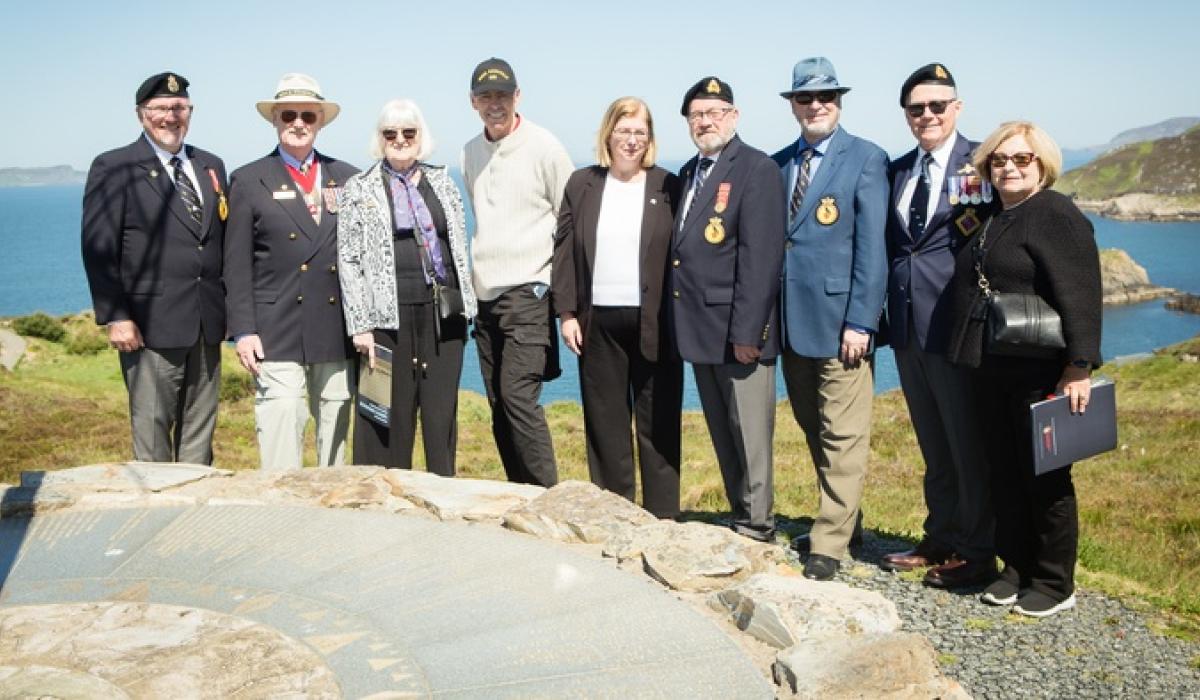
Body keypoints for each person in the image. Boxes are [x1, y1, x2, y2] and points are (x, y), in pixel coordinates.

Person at [946, 121, 1101, 617]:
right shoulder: (995, 215)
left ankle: (1055, 582)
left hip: (1042, 372)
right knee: (1005, 473)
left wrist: (1078, 368)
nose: (1009, 167)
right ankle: (1015, 568)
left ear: (1042, 165)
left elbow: (1080, 294)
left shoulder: (1056, 214)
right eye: (999, 160)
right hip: (992, 368)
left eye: (1021, 159)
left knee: (1046, 478)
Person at [879, 64, 996, 588]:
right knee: (935, 444)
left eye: (937, 105)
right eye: (916, 108)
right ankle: (941, 536)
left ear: (957, 107)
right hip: (907, 330)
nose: (927, 115)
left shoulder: (986, 165)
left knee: (967, 444)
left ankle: (977, 552)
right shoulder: (899, 171)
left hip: (958, 328)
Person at [771, 57, 888, 580]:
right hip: (793, 325)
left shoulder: (865, 158)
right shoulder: (778, 165)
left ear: (839, 102)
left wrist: (861, 320)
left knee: (844, 435)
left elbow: (872, 249)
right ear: (792, 105)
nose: (816, 106)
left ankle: (830, 544)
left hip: (844, 324)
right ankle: (846, 519)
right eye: (805, 98)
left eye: (827, 97)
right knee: (814, 428)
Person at [81, 72, 227, 464]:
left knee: (200, 426)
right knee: (152, 427)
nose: (170, 116)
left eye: (179, 108)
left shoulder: (210, 164)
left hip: (206, 321)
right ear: (141, 114)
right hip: (149, 325)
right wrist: (116, 316)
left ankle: (194, 510)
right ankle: (156, 513)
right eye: (160, 108)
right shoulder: (114, 166)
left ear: (190, 112)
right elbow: (99, 247)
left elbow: (215, 240)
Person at [552, 97, 683, 518]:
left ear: (650, 138)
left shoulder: (669, 185)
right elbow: (566, 252)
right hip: (597, 321)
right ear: (608, 133)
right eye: (623, 131)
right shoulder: (582, 184)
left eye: (639, 132)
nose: (631, 140)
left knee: (658, 423)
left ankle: (663, 518)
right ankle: (613, 515)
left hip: (657, 322)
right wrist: (567, 313)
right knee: (606, 424)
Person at [670, 77, 786, 542]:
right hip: (701, 329)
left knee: (750, 432)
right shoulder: (687, 173)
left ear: (734, 116)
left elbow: (760, 261)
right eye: (697, 115)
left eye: (714, 112)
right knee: (723, 430)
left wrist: (748, 334)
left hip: (739, 331)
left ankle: (759, 521)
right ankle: (741, 512)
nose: (705, 121)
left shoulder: (756, 168)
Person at [224, 73, 358, 472]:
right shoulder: (248, 180)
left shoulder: (348, 177)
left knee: (335, 429)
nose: (298, 123)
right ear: (275, 120)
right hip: (274, 327)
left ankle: (330, 518)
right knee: (281, 422)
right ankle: (280, 519)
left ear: (319, 121)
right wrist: (243, 330)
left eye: (307, 115)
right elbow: (235, 263)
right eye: (288, 115)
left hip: (334, 327)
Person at [338, 99, 476, 475]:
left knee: (440, 415)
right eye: (391, 133)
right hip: (384, 321)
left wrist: (469, 307)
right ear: (379, 139)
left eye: (408, 132)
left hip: (441, 317)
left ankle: (441, 498)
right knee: (382, 416)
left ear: (421, 136)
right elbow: (348, 260)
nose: (400, 139)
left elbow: (458, 249)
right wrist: (360, 325)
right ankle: (379, 500)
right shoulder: (359, 189)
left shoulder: (444, 184)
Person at [461, 57, 573, 487]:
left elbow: (570, 219)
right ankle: (519, 496)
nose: (495, 104)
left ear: (517, 96)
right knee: (497, 401)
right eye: (486, 96)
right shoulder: (470, 152)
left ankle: (549, 499)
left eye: (502, 95)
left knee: (518, 397)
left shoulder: (545, 147)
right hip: (485, 297)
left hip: (531, 291)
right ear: (473, 102)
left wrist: (559, 294)